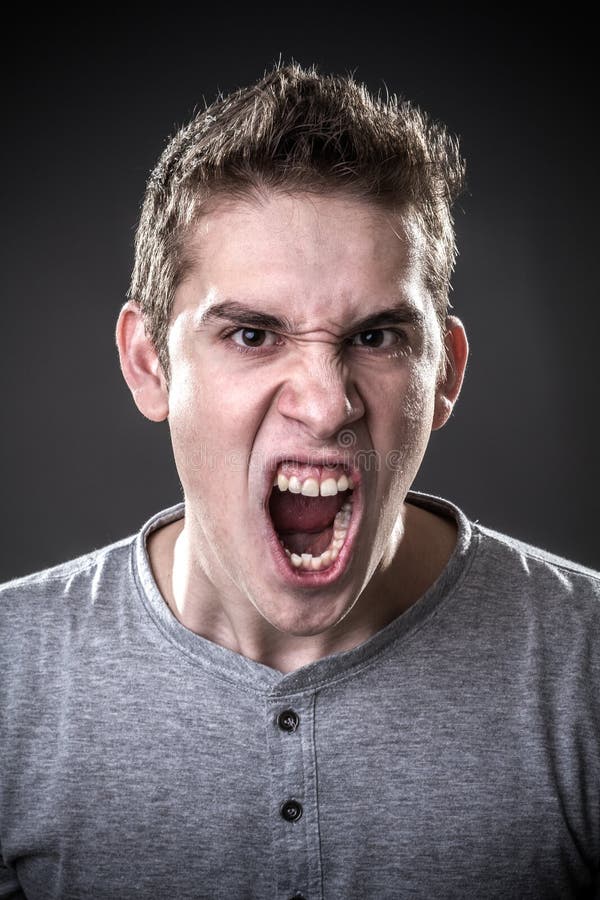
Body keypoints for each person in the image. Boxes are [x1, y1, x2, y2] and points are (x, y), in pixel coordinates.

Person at [1, 62, 598, 900]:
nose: (325, 406)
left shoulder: (585, 668)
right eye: (252, 335)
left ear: (445, 375)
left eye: (378, 337)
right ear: (149, 363)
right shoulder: (13, 672)